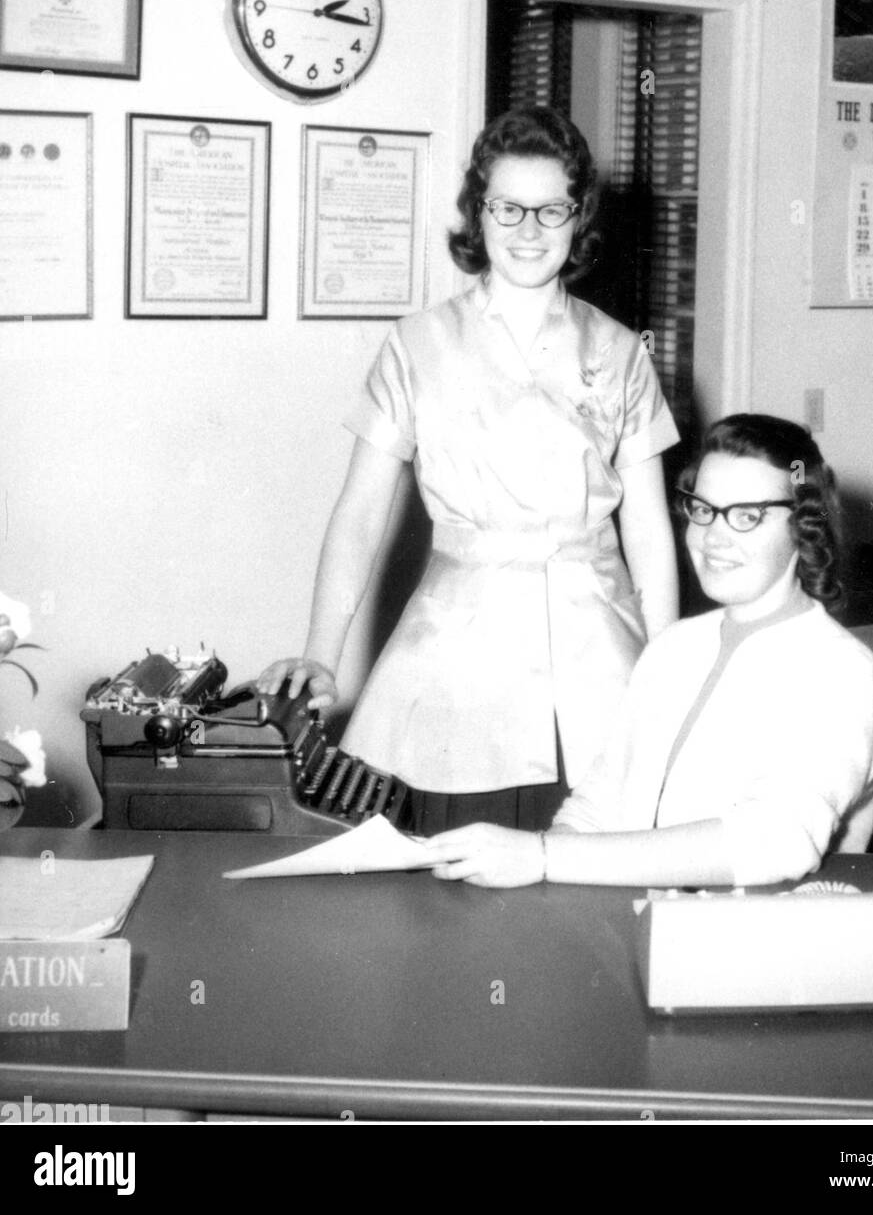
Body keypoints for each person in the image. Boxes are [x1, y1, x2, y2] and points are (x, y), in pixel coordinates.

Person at [258, 106, 680, 833]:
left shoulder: (619, 351)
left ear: (578, 220)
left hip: (597, 662)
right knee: (446, 893)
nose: (528, 230)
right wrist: (320, 657)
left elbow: (646, 525)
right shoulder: (416, 345)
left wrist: (669, 672)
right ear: (477, 213)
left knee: (592, 884)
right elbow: (360, 514)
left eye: (552, 210)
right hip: (456, 665)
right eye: (507, 207)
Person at [428, 414, 873, 886]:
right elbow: (598, 802)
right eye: (703, 509)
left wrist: (545, 858)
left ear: (804, 525)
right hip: (634, 919)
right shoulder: (673, 647)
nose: (714, 536)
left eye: (747, 515)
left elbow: (774, 841)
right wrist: (548, 873)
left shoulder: (840, 669)